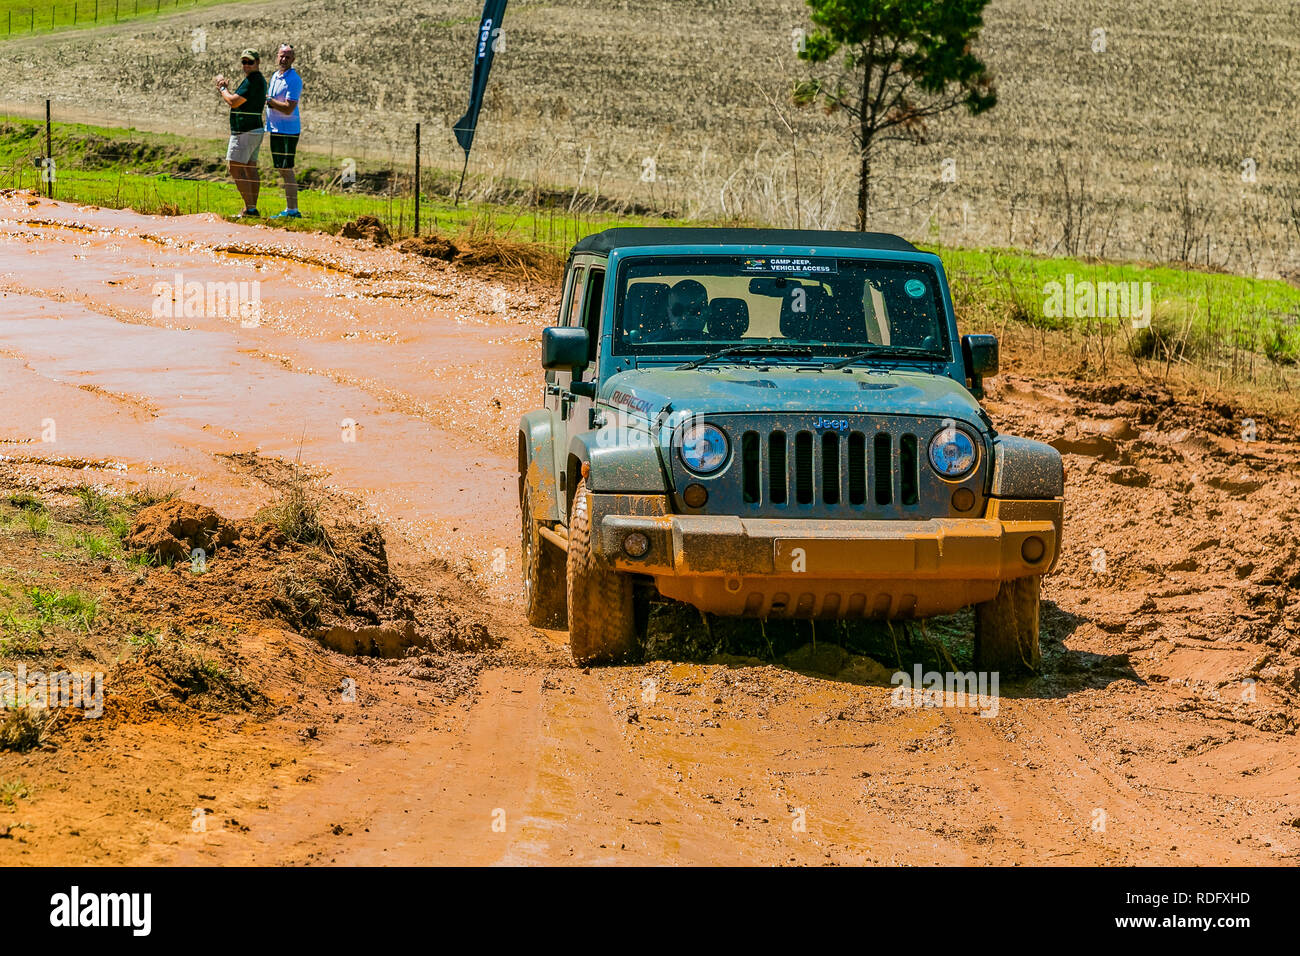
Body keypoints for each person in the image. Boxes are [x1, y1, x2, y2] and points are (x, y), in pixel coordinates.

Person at [216, 49, 267, 218]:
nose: (246, 65)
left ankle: (250, 209)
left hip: (245, 131)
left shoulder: (252, 80)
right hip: (255, 129)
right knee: (250, 168)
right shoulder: (256, 80)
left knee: (235, 168)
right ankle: (251, 208)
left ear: (258, 62)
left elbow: (233, 101)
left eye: (250, 62)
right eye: (244, 62)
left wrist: (223, 89)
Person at [265, 43, 304, 219]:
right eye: (281, 56)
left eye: (287, 57)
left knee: (286, 169)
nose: (283, 59)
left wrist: (270, 101)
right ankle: (289, 209)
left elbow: (289, 108)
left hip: (287, 131)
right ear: (277, 56)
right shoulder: (275, 76)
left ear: (293, 59)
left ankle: (293, 210)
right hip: (275, 129)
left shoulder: (294, 80)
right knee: (281, 168)